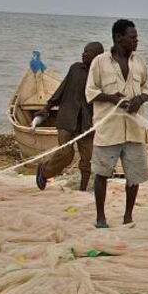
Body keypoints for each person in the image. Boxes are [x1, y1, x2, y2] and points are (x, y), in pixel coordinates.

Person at [85, 19, 148, 228]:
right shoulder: (99, 62)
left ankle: (128, 216)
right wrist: (112, 98)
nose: (136, 41)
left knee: (134, 176)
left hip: (134, 129)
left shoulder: (139, 62)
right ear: (118, 38)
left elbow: (147, 87)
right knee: (102, 173)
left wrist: (139, 100)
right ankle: (100, 217)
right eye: (132, 37)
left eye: (137, 37)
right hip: (109, 129)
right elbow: (90, 92)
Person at [34, 42, 103, 191]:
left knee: (88, 158)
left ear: (97, 56)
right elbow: (61, 90)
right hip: (67, 118)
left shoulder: (101, 76)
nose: (83, 54)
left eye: (87, 52)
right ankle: (44, 170)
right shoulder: (75, 69)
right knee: (66, 153)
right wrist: (46, 108)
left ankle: (83, 190)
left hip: (87, 123)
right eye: (83, 51)